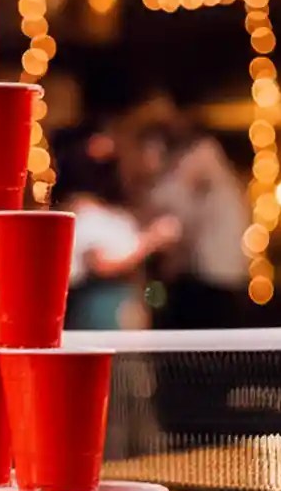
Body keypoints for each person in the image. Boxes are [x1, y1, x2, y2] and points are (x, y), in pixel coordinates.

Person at [116, 97, 250, 329]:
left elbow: (166, 200)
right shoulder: (182, 158)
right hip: (198, 278)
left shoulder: (204, 153)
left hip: (214, 279)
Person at [60, 131, 182, 330]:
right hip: (101, 308)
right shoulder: (87, 213)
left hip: (126, 302)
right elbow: (101, 263)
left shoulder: (115, 212)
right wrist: (152, 239)